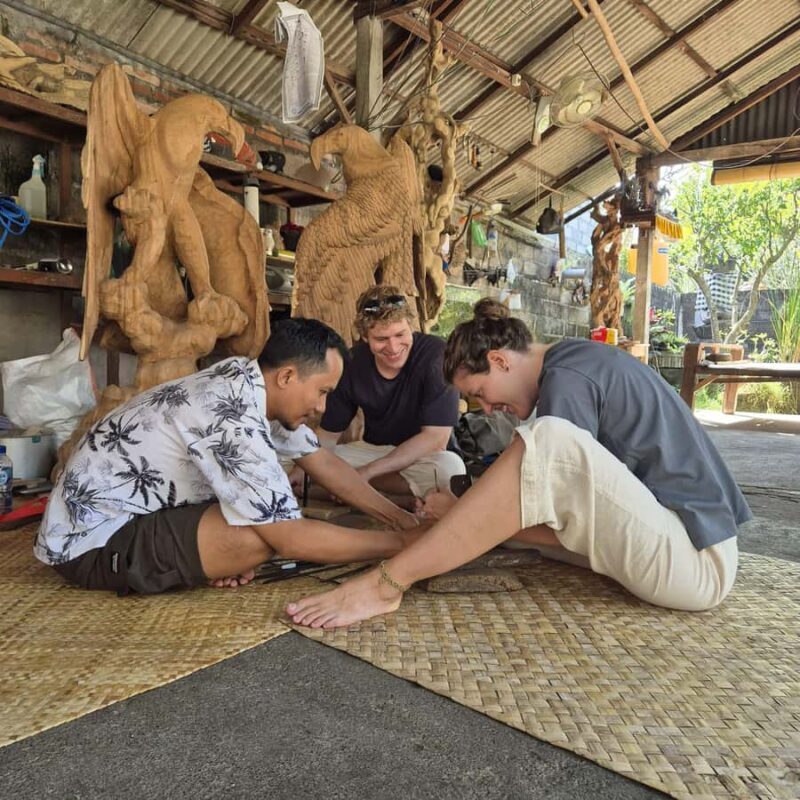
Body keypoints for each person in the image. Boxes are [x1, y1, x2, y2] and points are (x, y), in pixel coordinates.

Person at [287, 299, 751, 628]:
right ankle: (433, 540)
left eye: (480, 396)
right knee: (506, 508)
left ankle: (387, 584)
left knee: (545, 442)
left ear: (499, 361)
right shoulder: (573, 364)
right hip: (678, 546)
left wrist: (462, 514)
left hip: (695, 566)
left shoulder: (567, 379)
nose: (487, 410)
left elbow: (546, 487)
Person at [36, 318, 420, 596]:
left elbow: (322, 461)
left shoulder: (246, 380)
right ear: (286, 377)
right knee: (256, 539)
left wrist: (399, 519)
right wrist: (405, 546)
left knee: (259, 522)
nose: (322, 406)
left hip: (130, 514)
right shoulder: (228, 410)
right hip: (90, 544)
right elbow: (291, 538)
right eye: (322, 391)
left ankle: (195, 561)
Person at [292, 285, 466, 505]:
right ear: (365, 337)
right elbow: (328, 436)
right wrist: (304, 468)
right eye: (381, 339)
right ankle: (386, 497)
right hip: (374, 453)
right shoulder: (352, 362)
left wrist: (365, 473)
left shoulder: (436, 355)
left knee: (449, 471)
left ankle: (348, 489)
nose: (393, 347)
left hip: (425, 457)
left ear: (410, 327)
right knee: (294, 458)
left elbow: (436, 439)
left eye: (400, 334)